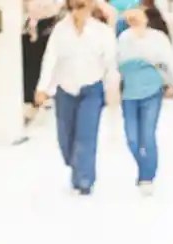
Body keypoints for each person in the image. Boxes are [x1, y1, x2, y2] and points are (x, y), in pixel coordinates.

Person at [35, 0, 120, 196]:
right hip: (65, 90)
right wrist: (42, 88)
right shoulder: (60, 30)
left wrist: (111, 88)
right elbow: (50, 59)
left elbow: (110, 64)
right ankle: (76, 167)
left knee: (86, 136)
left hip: (92, 89)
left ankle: (84, 180)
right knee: (65, 138)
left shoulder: (101, 32)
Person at [117, 7, 173, 194]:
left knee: (148, 134)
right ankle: (144, 167)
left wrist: (171, 83)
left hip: (152, 90)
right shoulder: (123, 39)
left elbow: (169, 62)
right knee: (132, 138)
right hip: (129, 93)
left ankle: (147, 176)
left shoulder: (158, 38)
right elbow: (116, 63)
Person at [23, 1, 63, 125]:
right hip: (33, 23)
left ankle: (40, 97)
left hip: (47, 21)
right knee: (33, 63)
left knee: (43, 61)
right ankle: (34, 99)